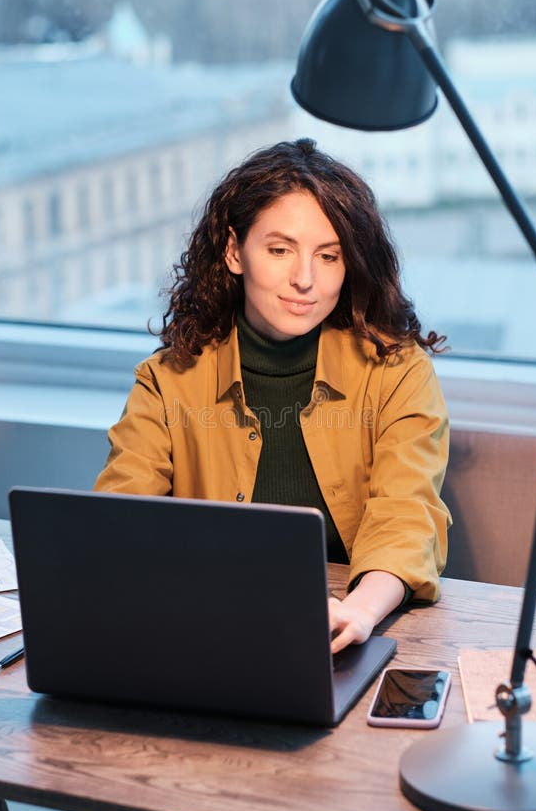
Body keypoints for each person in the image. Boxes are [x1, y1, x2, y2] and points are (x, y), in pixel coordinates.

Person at [95, 138, 451, 653]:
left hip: (349, 627)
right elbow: (116, 521)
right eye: (280, 250)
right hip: (202, 629)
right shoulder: (168, 377)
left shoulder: (398, 372)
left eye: (328, 256)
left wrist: (359, 612)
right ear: (234, 251)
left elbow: (407, 515)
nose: (305, 279)